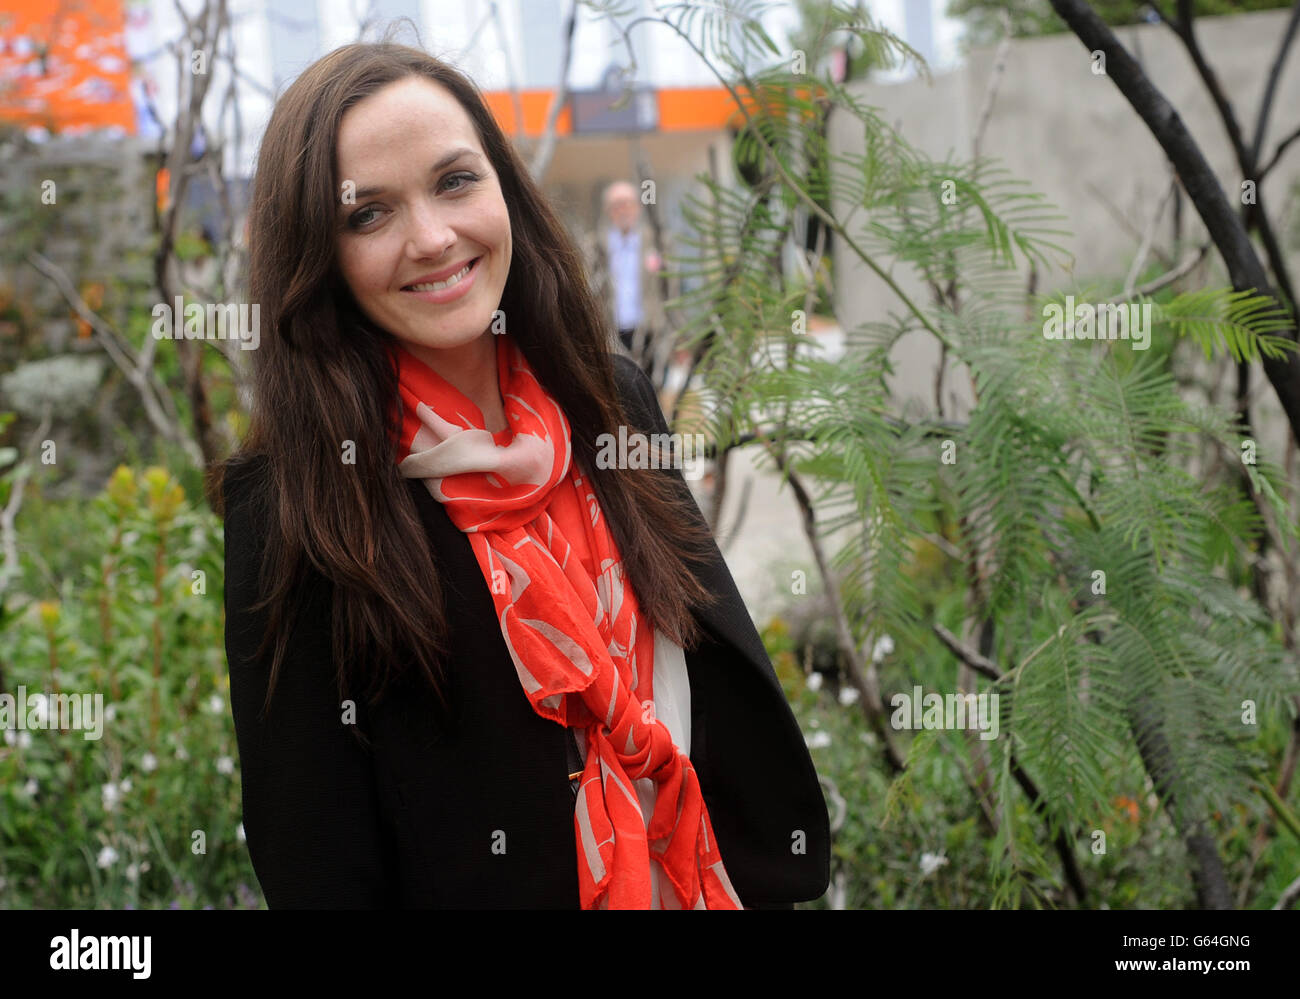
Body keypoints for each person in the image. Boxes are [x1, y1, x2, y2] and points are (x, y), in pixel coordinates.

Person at [209, 41, 830, 910]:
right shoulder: (294, 504)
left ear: (506, 188)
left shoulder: (610, 401)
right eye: (368, 215)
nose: (431, 238)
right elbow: (318, 862)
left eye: (455, 181)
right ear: (318, 254)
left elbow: (716, 684)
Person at [579, 181, 674, 375]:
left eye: (628, 204)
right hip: (612, 333)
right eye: (617, 205)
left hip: (650, 330)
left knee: (653, 386)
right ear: (608, 211)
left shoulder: (657, 242)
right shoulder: (595, 247)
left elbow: (671, 285)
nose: (623, 211)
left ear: (637, 207)